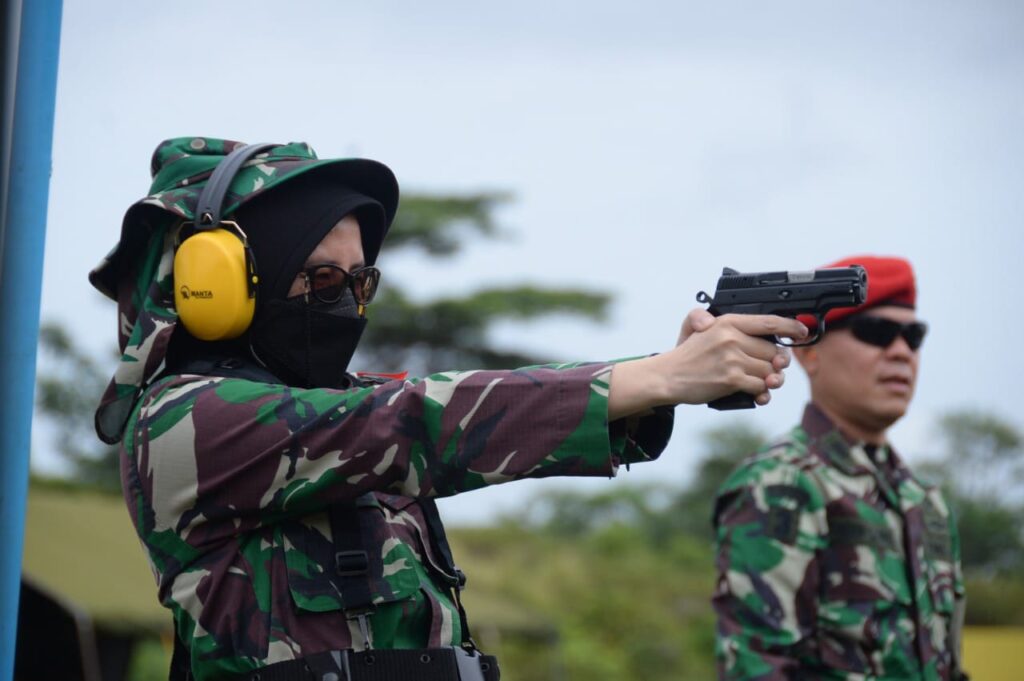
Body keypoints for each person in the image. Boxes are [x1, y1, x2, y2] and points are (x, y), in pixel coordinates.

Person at [90, 137, 807, 681]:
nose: (345, 299)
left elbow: (436, 412)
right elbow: (416, 422)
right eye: (320, 277)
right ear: (220, 285)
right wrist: (657, 376)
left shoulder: (345, 403)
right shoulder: (183, 423)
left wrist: (664, 377)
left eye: (360, 279)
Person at [711, 256, 968, 681]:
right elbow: (758, 668)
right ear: (808, 351)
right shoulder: (780, 484)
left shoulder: (928, 502)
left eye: (913, 336)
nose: (901, 352)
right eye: (877, 332)